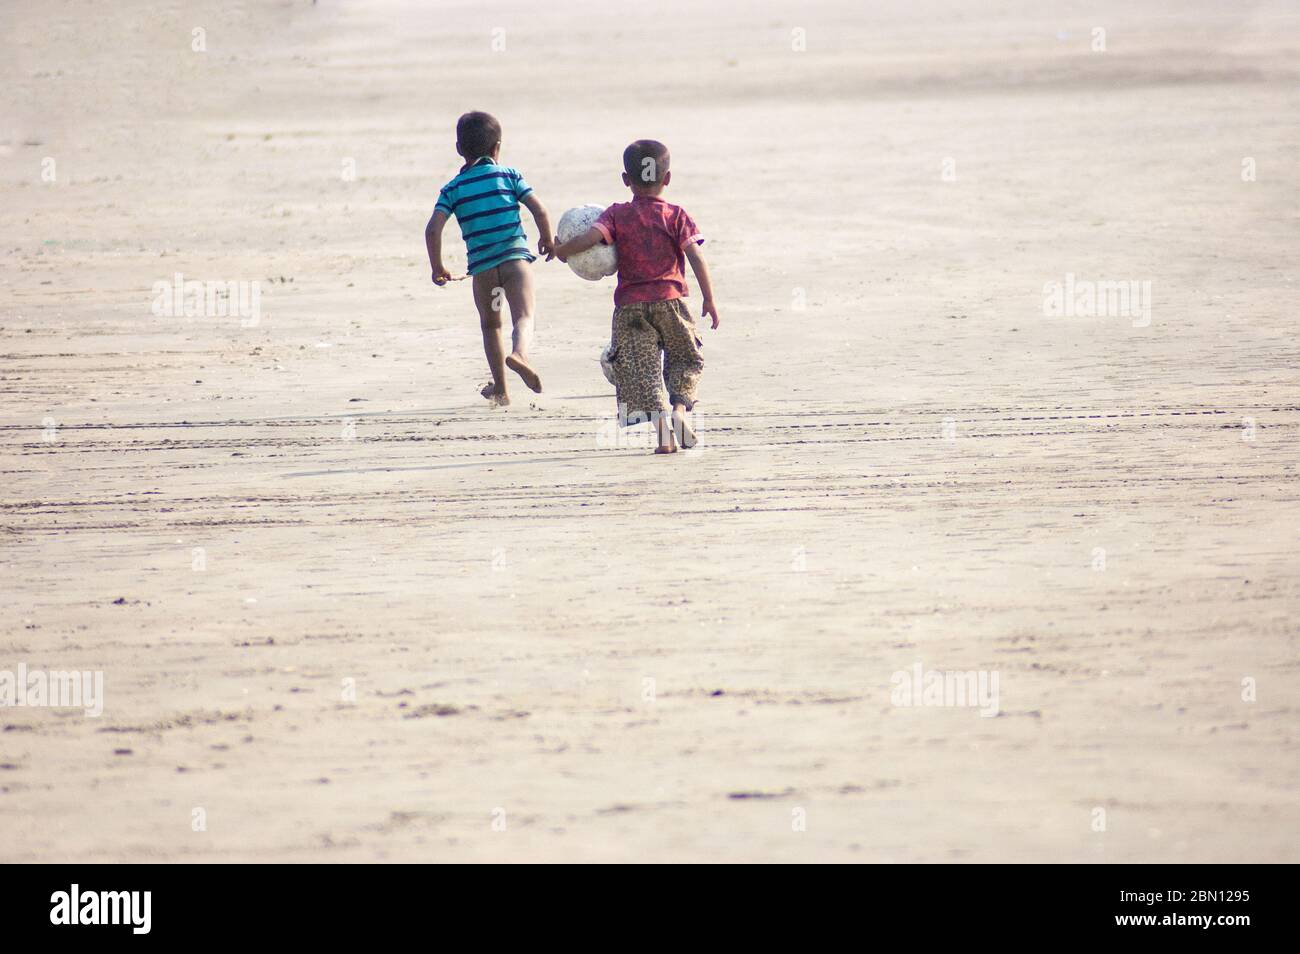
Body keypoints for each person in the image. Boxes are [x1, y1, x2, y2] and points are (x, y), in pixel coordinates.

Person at [552, 139, 719, 453]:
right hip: (672, 302)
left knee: (640, 372)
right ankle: (680, 411)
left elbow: (589, 239)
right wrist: (709, 299)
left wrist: (561, 250)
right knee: (685, 360)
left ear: (626, 179)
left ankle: (663, 436)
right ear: (667, 178)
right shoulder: (676, 214)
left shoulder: (616, 215)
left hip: (631, 308)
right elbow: (696, 257)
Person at [425, 111, 554, 405]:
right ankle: (520, 354)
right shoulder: (509, 176)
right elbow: (540, 210)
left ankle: (501, 389)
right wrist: (546, 239)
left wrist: (438, 267)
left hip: (484, 270)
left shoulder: (453, 189)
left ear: (459, 149)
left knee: (491, 325)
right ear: (497, 148)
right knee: (523, 315)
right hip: (515, 262)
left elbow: (433, 229)